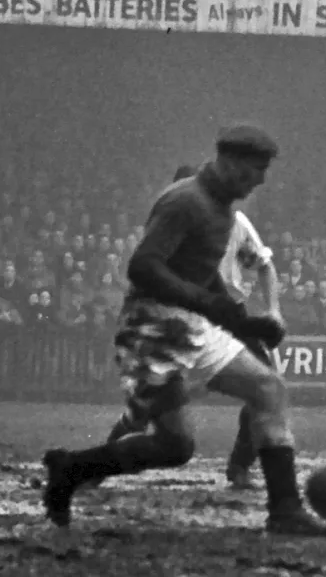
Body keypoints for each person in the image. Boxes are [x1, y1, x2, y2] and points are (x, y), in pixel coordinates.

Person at [40, 127, 326, 538]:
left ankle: (285, 510)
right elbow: (143, 266)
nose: (262, 180)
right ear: (232, 164)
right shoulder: (186, 201)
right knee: (176, 448)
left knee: (269, 389)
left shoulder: (223, 210)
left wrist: (242, 321)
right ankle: (72, 469)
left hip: (189, 326)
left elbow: (201, 275)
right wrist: (209, 305)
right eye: (257, 169)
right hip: (153, 330)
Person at [108, 164, 283, 492]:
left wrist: (272, 311)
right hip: (180, 319)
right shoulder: (172, 223)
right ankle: (98, 463)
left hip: (226, 315)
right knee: (156, 416)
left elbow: (264, 265)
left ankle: (241, 467)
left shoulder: (233, 222)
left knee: (266, 386)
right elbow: (145, 269)